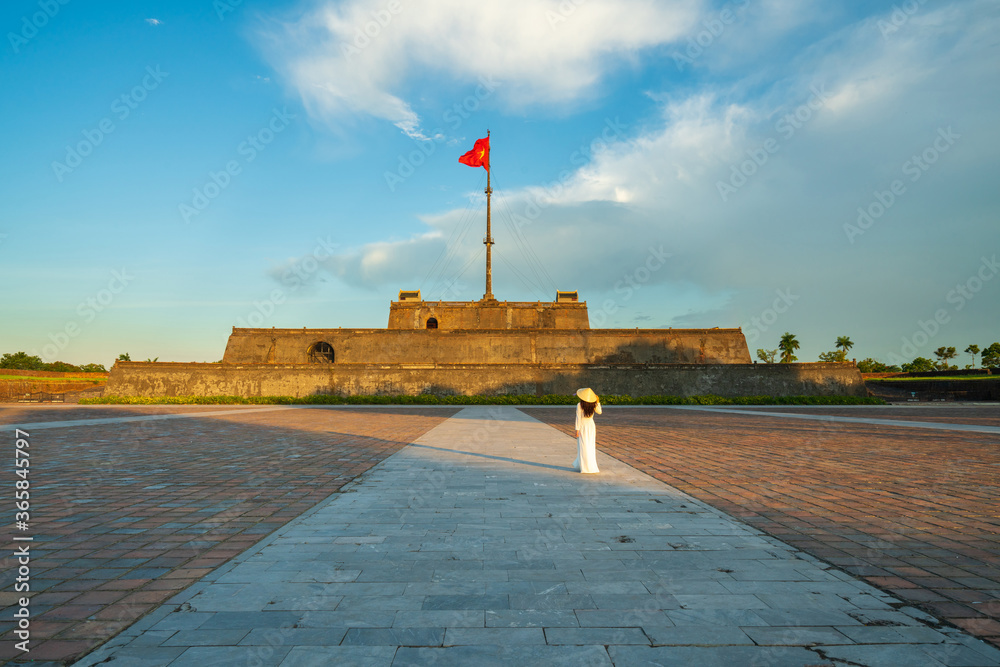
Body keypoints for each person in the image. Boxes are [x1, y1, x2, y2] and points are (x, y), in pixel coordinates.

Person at [573, 387, 602, 473]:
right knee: (590, 445)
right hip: (591, 426)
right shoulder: (593, 404)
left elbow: (578, 418)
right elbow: (600, 412)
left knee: (583, 446)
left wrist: (577, 430)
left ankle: (584, 466)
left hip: (583, 426)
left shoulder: (579, 405)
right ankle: (590, 465)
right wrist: (598, 402)